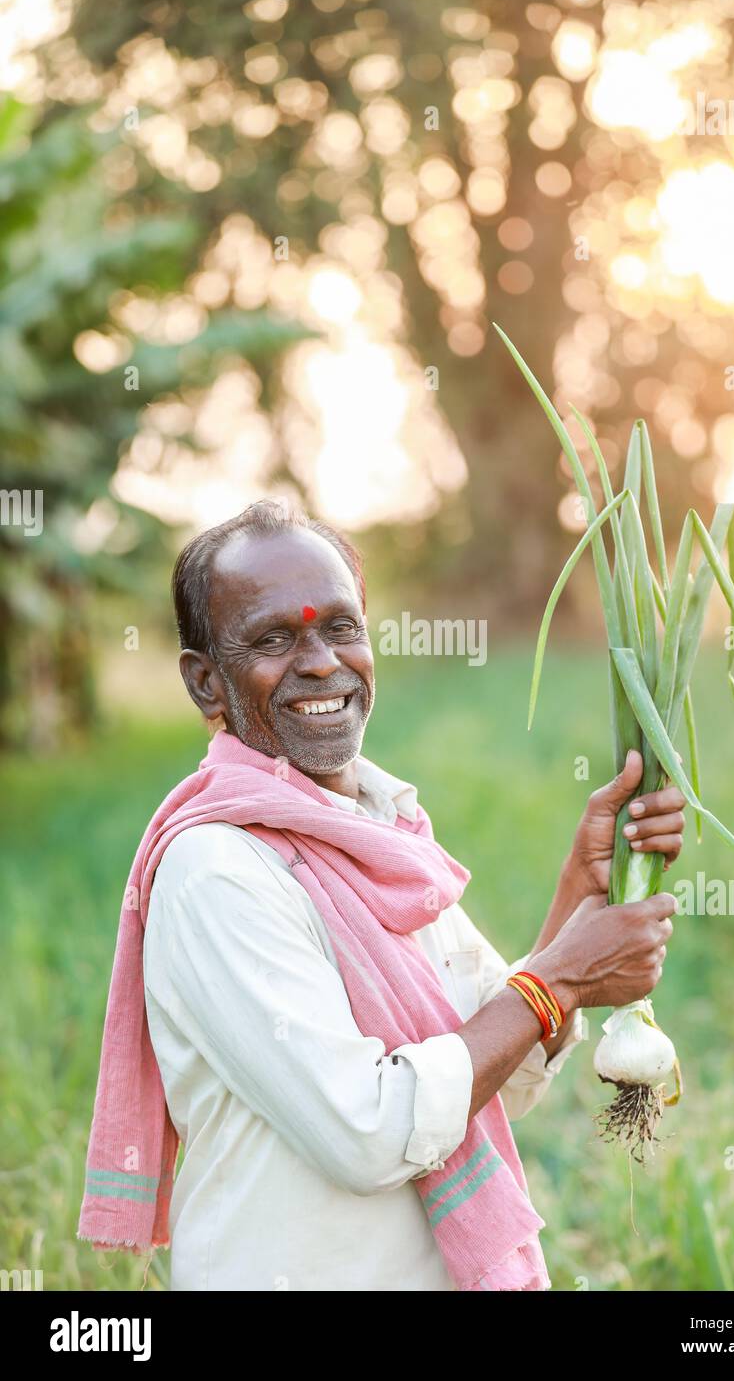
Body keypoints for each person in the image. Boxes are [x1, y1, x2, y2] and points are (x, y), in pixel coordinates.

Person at [78, 501, 683, 1292]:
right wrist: (563, 978)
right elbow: (373, 1131)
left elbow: (493, 1067)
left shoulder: (376, 827)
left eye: (341, 627)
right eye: (273, 638)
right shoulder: (215, 870)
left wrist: (581, 889)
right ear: (205, 684)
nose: (324, 662)